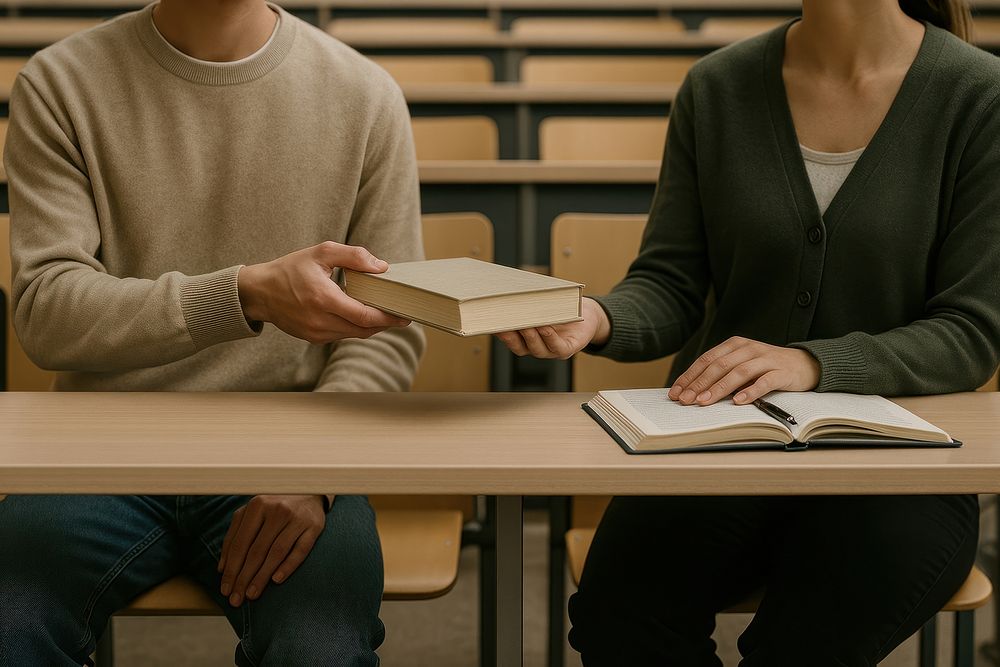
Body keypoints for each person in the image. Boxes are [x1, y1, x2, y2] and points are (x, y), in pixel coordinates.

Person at [498, 0, 1000, 663]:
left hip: (900, 472)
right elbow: (671, 283)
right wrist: (597, 316)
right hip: (721, 444)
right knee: (618, 616)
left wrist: (812, 363)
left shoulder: (979, 96)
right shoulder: (717, 85)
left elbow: (970, 332)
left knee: (800, 647)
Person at [1, 0, 424, 664]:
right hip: (99, 446)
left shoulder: (365, 95)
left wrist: (318, 466)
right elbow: (48, 312)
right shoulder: (60, 82)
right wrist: (245, 294)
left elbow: (392, 328)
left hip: (293, 448)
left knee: (321, 647)